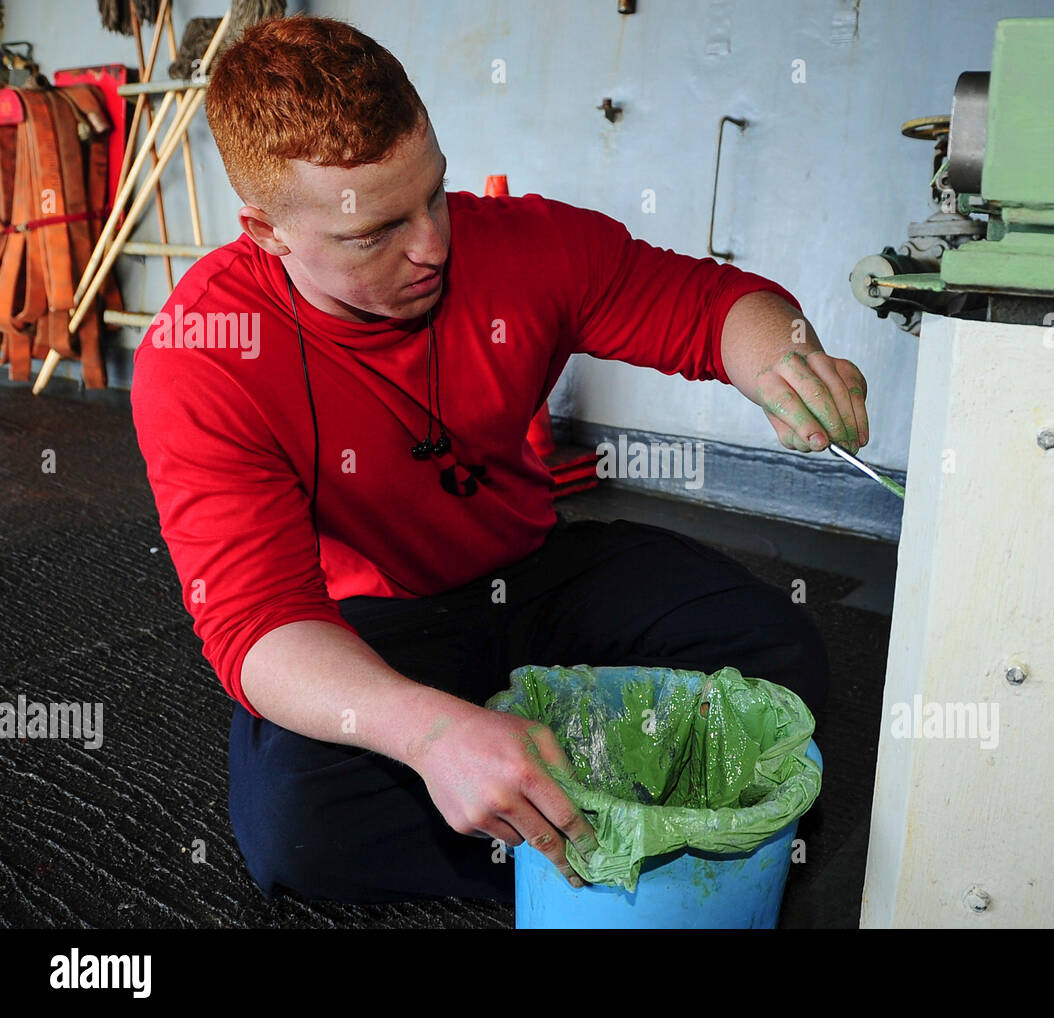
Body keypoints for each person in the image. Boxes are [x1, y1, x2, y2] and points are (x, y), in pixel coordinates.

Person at [130, 14, 871, 906]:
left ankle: (558, 807)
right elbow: (256, 625)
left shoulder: (525, 245)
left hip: (530, 566)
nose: (433, 245)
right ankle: (583, 837)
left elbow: (715, 305)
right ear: (267, 234)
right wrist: (429, 734)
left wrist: (784, 360)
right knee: (299, 828)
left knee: (779, 651)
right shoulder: (204, 355)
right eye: (376, 233)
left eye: (433, 195)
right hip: (365, 624)